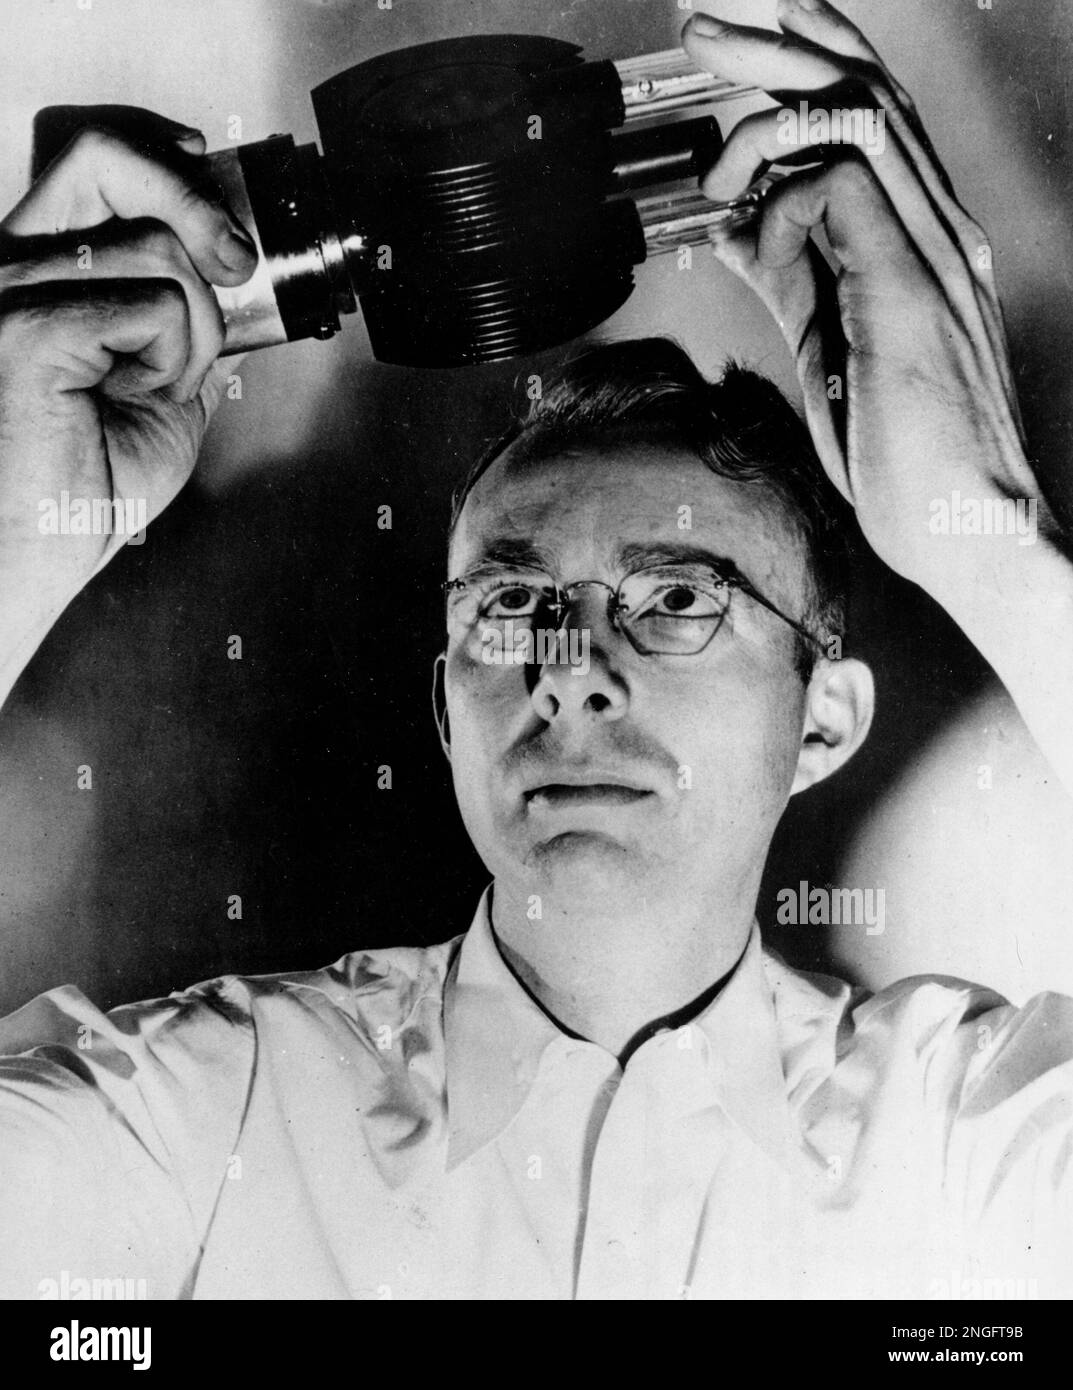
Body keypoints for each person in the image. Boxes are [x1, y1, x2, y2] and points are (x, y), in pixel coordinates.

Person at [0, 0, 1070, 1300]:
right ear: (445, 706)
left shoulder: (963, 1147)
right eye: (508, 611)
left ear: (825, 718)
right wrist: (12, 530)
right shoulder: (202, 1117)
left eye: (677, 600)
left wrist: (984, 532)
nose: (570, 668)